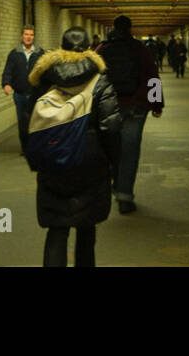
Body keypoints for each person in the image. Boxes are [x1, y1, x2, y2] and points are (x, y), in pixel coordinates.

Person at [26, 26, 121, 266]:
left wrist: (35, 159)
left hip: (53, 157)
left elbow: (29, 120)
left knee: (57, 230)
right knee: (86, 229)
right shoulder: (100, 81)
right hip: (90, 161)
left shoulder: (43, 78)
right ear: (89, 48)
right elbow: (111, 128)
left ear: (61, 48)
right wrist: (113, 164)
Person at [96, 15, 161, 213]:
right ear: (130, 29)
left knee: (106, 150)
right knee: (129, 152)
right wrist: (157, 104)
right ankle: (124, 197)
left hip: (107, 108)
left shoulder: (101, 49)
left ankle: (105, 191)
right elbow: (152, 76)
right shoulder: (140, 49)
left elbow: (93, 78)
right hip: (135, 107)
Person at [1, 25, 44, 155]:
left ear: (34, 37)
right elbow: (7, 71)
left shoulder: (40, 53)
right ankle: (25, 148)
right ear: (22, 36)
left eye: (31, 35)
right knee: (22, 122)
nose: (28, 37)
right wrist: (6, 84)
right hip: (19, 94)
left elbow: (45, 72)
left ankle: (35, 147)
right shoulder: (14, 54)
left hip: (35, 94)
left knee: (36, 121)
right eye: (26, 34)